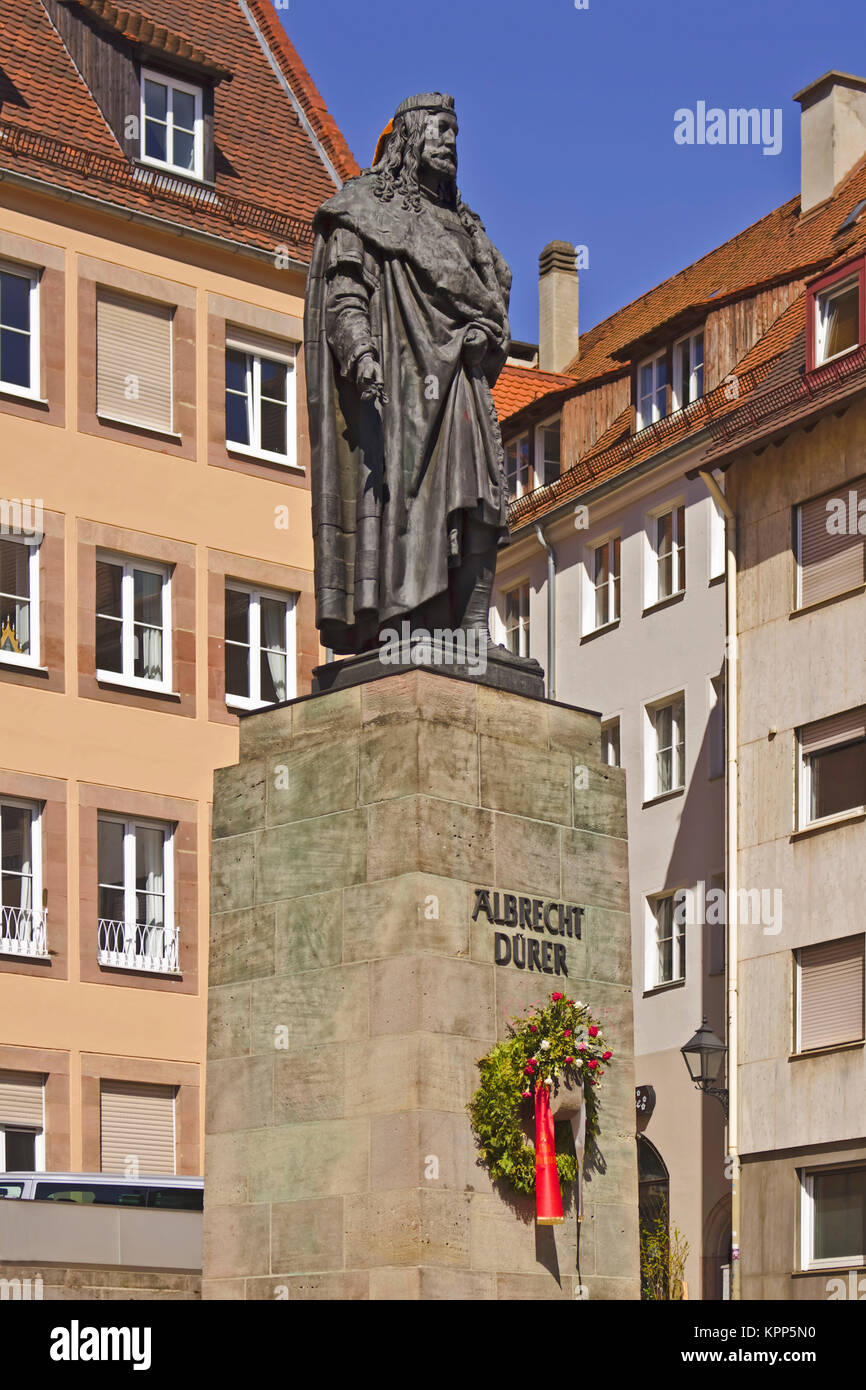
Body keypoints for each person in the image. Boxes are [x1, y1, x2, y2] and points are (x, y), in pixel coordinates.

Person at [304, 93, 513, 656]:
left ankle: (472, 626)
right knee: (408, 505)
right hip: (399, 387)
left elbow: (495, 313)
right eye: (440, 129)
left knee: (480, 496)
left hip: (461, 383)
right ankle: (405, 623)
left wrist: (486, 338)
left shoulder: (470, 231)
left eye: (456, 132)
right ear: (411, 134)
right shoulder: (367, 209)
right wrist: (362, 354)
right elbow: (345, 295)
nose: (450, 141)